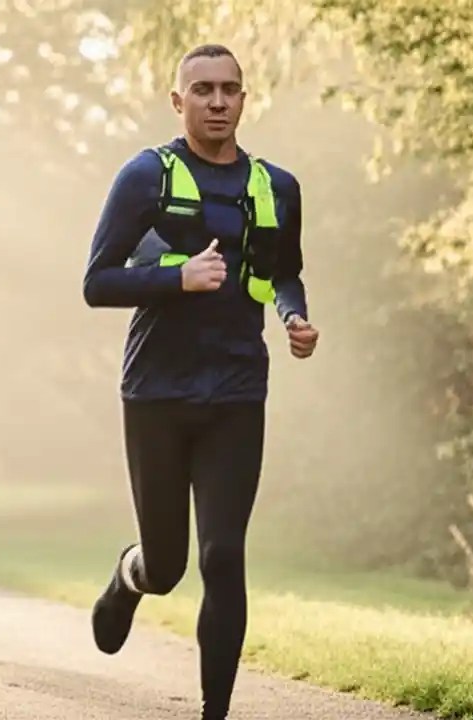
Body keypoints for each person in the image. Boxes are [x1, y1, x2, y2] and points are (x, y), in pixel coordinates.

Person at [80, 43, 319, 719]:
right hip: (156, 394)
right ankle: (129, 576)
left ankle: (216, 711)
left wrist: (294, 316)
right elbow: (97, 283)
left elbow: (285, 272)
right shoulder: (145, 178)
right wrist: (176, 279)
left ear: (244, 98)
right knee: (168, 566)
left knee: (223, 555)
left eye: (229, 89)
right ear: (178, 100)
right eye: (203, 90)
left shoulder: (278, 187)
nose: (218, 102)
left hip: (237, 392)